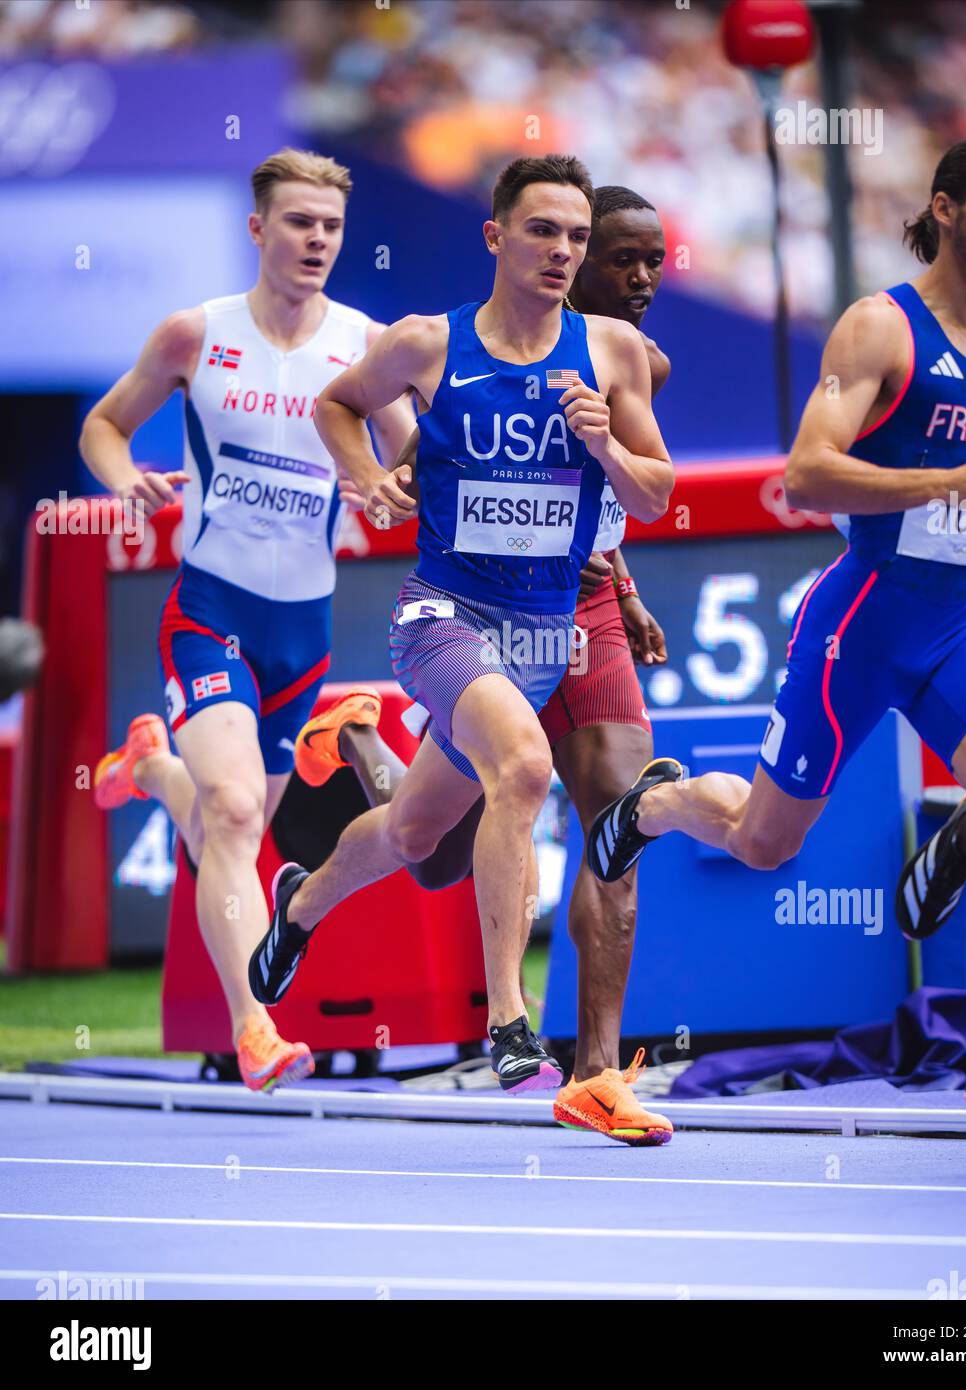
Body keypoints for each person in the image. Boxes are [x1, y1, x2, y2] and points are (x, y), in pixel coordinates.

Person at [587, 135, 966, 1117]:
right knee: (765, 841)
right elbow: (804, 474)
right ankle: (660, 804)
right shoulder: (878, 327)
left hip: (964, 619)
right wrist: (943, 483)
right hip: (860, 620)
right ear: (944, 210)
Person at [247, 154, 674, 1099]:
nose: (563, 251)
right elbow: (336, 404)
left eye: (575, 236)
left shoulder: (612, 355)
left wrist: (604, 440)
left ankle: (300, 905)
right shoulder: (426, 343)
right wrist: (367, 477)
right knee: (523, 768)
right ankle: (509, 1020)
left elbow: (656, 491)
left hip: (542, 626)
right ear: (495, 237)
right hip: (443, 613)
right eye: (541, 231)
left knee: (411, 835)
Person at [80, 149, 415, 1091]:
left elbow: (412, 462)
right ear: (259, 228)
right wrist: (125, 483)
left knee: (231, 832)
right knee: (232, 813)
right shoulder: (196, 335)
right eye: (300, 222)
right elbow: (104, 426)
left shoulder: (367, 344)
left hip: (302, 632)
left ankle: (148, 765)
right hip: (209, 608)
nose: (318, 240)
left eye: (333, 226)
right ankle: (253, 1027)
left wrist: (391, 489)